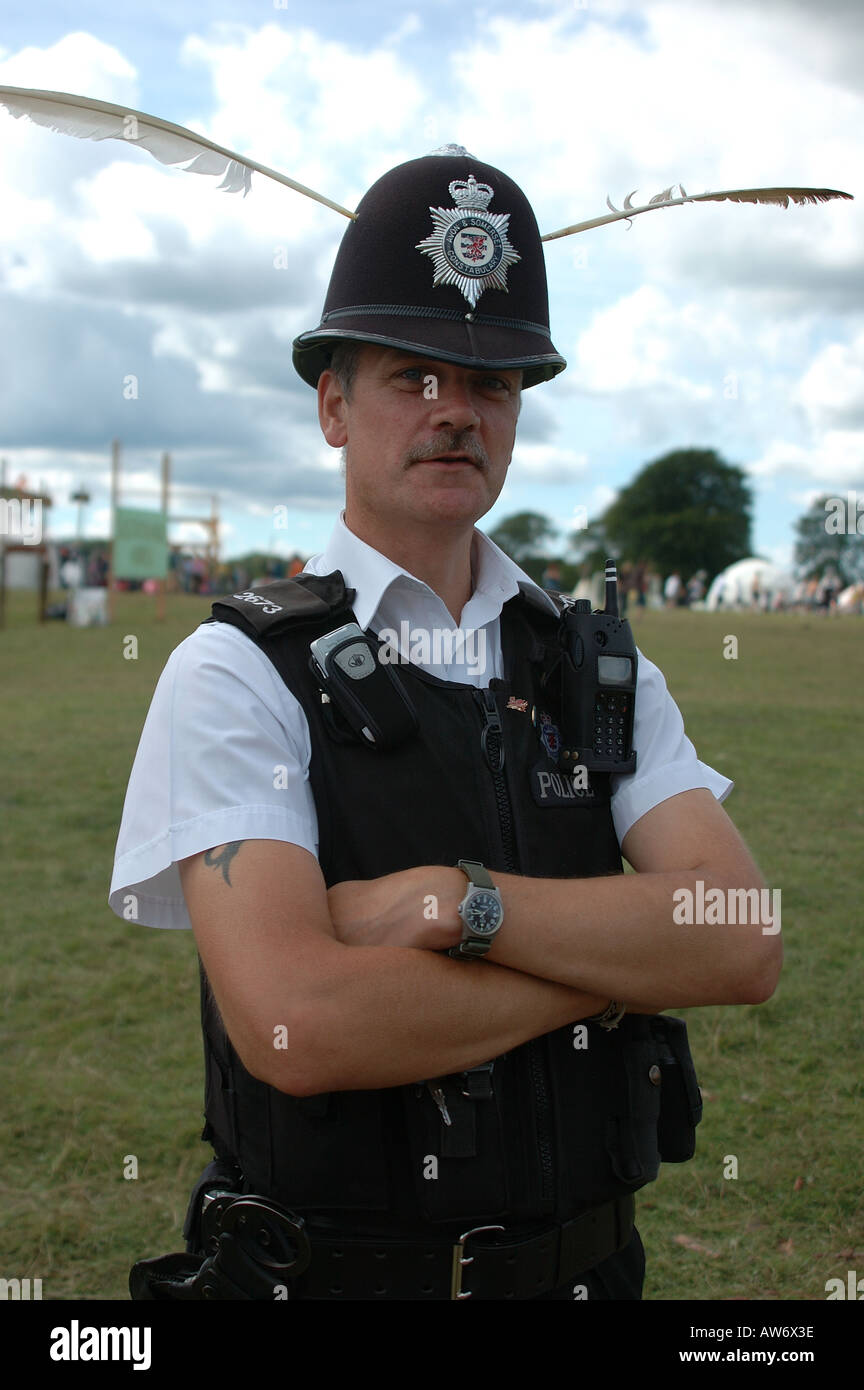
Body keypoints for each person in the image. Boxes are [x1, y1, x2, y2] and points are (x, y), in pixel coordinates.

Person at [109, 148, 780, 1301]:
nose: (455, 411)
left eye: (494, 382)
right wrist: (622, 968)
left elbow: (739, 934)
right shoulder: (235, 671)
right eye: (413, 375)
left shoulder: (591, 665)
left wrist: (450, 904)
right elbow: (300, 1027)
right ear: (332, 403)